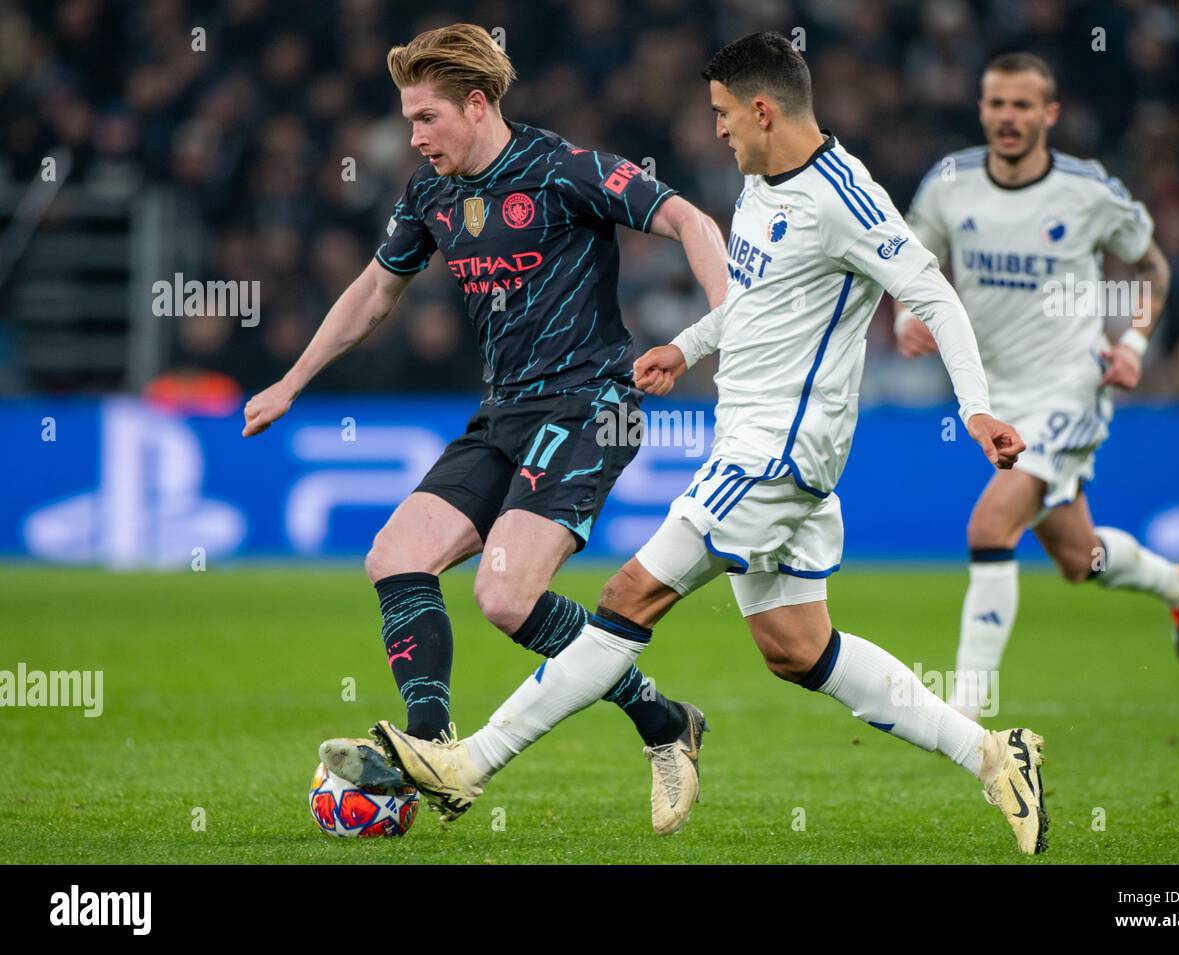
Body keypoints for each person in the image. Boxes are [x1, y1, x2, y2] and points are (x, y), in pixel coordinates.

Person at [358, 32, 1052, 855]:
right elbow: (757, 305)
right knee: (797, 648)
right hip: (763, 444)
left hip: (774, 454)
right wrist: (687, 346)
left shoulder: (845, 198)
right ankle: (992, 752)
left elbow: (934, 295)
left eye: (723, 114)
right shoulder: (759, 185)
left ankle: (467, 762)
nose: (715, 130)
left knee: (627, 599)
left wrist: (975, 410)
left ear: (763, 108)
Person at [242, 23, 728, 835]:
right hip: (503, 413)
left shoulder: (566, 169)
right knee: (394, 557)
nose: (414, 136)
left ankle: (655, 721)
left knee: (503, 595)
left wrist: (720, 331)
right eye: (407, 121)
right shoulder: (429, 196)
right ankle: (435, 742)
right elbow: (373, 291)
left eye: (426, 117)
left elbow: (693, 223)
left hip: (590, 407)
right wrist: (293, 380)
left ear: (476, 105)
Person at [893, 52, 1179, 720]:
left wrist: (1133, 342)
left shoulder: (1086, 190)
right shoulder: (949, 184)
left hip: (1071, 388)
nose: (1008, 118)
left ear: (1049, 114)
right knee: (1079, 558)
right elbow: (912, 263)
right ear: (982, 109)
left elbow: (1153, 267)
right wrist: (903, 315)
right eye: (997, 104)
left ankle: (966, 716)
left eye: (1022, 106)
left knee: (990, 524)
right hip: (997, 397)